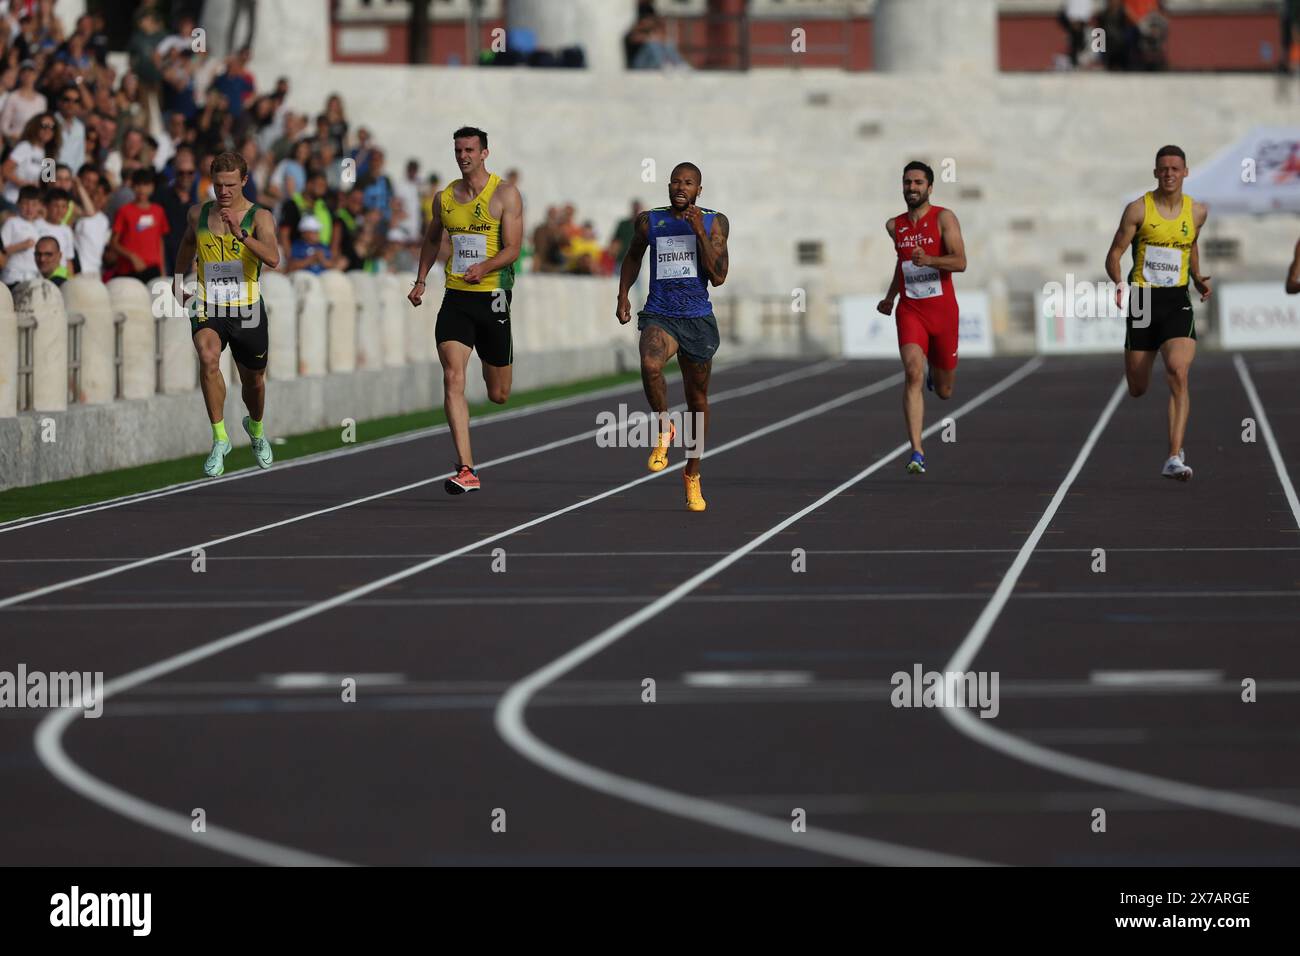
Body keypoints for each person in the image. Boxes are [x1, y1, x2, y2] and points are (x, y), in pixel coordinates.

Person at [408, 127, 523, 495]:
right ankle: (467, 468)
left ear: (485, 153)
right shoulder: (444, 198)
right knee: (453, 377)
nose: (463, 156)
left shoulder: (504, 194)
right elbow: (431, 238)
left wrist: (485, 267)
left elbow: (514, 248)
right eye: (458, 150)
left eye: (470, 149)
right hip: (456, 297)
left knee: (498, 393)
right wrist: (422, 279)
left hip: (493, 298)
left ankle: (494, 379)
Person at [616, 162, 729, 512]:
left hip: (697, 319)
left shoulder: (713, 222)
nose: (682, 187)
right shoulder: (651, 221)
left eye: (689, 183)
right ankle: (664, 427)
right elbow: (633, 256)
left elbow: (719, 275)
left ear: (699, 190)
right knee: (650, 363)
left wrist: (697, 232)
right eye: (676, 182)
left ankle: (692, 474)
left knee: (697, 402)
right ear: (668, 186)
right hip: (660, 314)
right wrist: (622, 295)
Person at [1104, 144, 1211, 481]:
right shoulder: (1138, 209)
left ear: (1185, 172)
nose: (1169, 174)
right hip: (1143, 303)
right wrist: (1119, 283)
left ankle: (1174, 455)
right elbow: (1115, 252)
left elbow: (1191, 245)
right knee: (1137, 387)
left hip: (1177, 301)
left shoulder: (1197, 213)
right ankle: (1173, 451)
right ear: (1155, 173)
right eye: (1163, 168)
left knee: (1178, 371)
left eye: (1175, 168)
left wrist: (1196, 276)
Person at [172, 150, 281, 478]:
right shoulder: (198, 214)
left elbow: (274, 258)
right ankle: (220, 438)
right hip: (208, 303)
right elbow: (186, 246)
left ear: (244, 181)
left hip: (246, 307)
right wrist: (176, 283)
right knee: (208, 358)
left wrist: (241, 235)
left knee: (255, 383)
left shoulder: (260, 217)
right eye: (219, 185)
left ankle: (256, 428)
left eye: (231, 185)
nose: (224, 192)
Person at [876, 161, 967, 475]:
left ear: (929, 187)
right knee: (912, 372)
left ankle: (935, 374)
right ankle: (917, 451)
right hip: (911, 311)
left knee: (945, 391)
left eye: (917, 183)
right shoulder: (894, 226)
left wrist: (930, 259)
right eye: (907, 182)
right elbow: (902, 265)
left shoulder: (944, 217)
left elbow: (960, 262)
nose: (911, 188)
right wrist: (890, 297)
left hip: (942, 312)